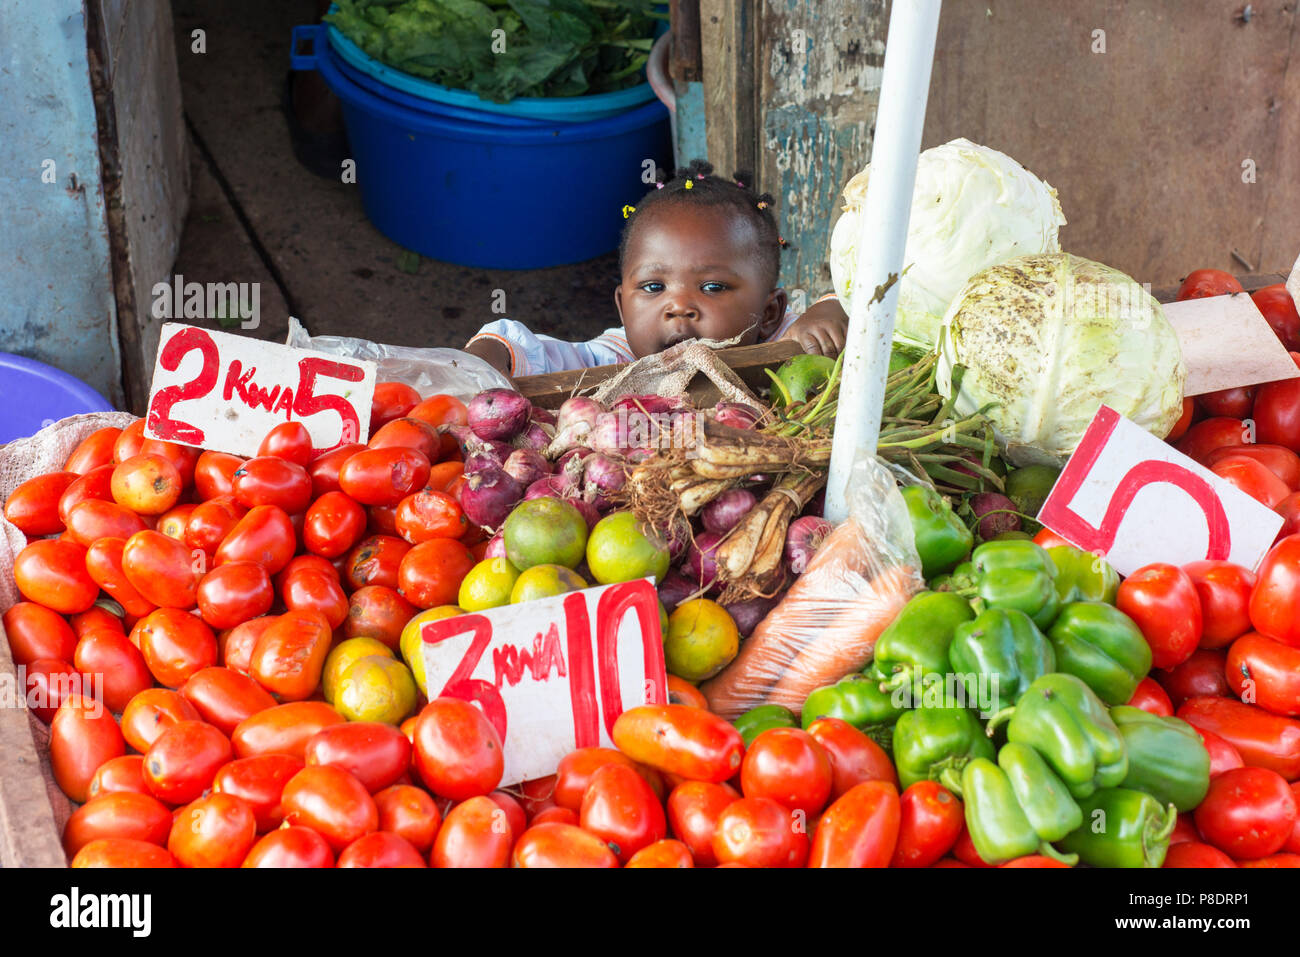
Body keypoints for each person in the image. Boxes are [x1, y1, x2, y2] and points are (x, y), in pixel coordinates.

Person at [464, 160, 849, 378]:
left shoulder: (781, 342)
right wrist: (488, 359)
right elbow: (530, 353)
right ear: (622, 306)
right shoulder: (615, 360)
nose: (678, 307)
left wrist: (831, 309)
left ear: (769, 313)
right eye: (652, 287)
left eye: (712, 287)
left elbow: (858, 305)